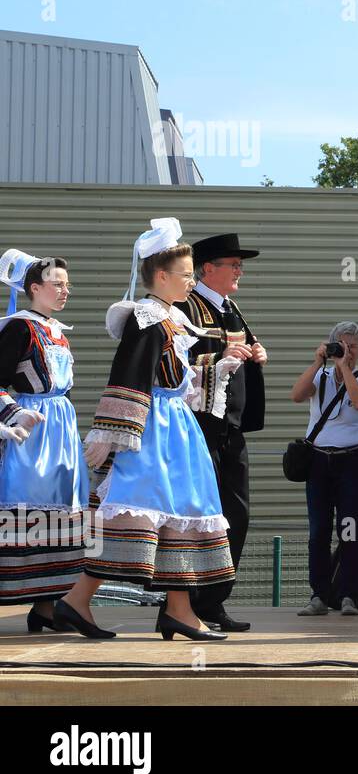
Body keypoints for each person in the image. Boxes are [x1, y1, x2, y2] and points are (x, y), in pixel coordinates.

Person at [57, 218, 235, 641]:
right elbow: (130, 376)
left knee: (179, 513)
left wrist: (216, 367)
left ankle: (175, 609)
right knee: (143, 511)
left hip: (174, 430)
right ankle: (79, 601)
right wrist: (110, 434)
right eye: (188, 274)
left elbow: (174, 379)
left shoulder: (170, 320)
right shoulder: (147, 319)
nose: (192, 282)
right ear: (161, 276)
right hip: (153, 433)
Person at [177, 233, 267, 633]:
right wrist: (223, 356)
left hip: (230, 427)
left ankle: (213, 600)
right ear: (207, 268)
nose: (239, 271)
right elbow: (177, 361)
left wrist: (255, 357)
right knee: (199, 515)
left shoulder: (230, 307)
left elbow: (237, 355)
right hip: (201, 425)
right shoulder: (187, 306)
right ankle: (186, 602)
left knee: (236, 515)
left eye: (239, 265)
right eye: (233, 264)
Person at [0, 251, 88, 630]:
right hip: (31, 435)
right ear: (34, 288)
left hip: (61, 431)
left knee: (61, 515)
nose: (65, 290)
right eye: (57, 284)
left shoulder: (56, 330)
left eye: (67, 284)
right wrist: (13, 413)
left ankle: (47, 606)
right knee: (26, 513)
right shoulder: (20, 328)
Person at [290, 321, 358, 617]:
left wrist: (346, 369)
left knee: (349, 530)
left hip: (352, 462)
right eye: (342, 346)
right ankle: (319, 595)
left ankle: (348, 595)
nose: (348, 352)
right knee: (319, 531)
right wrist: (318, 362)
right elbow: (297, 394)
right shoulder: (321, 377)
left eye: (354, 347)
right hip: (318, 463)